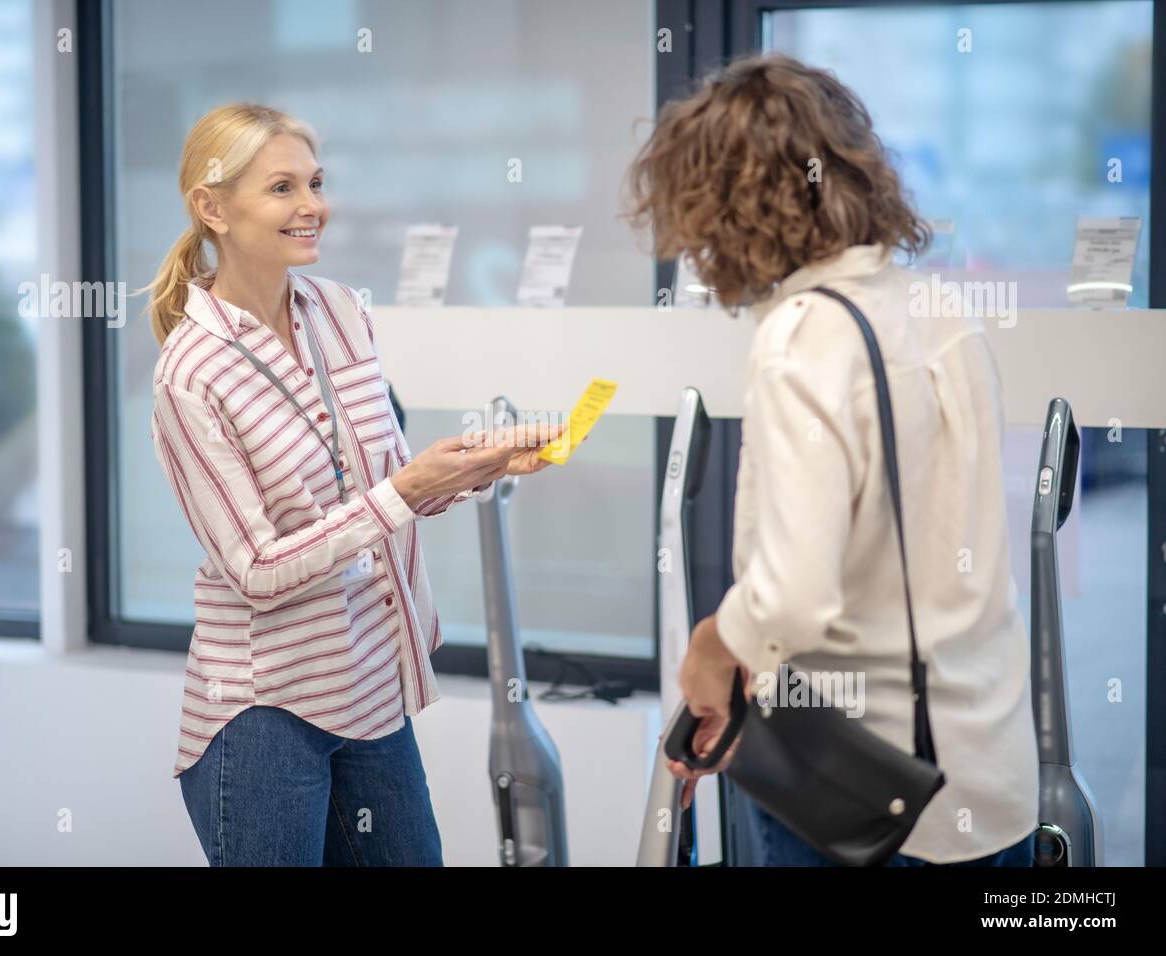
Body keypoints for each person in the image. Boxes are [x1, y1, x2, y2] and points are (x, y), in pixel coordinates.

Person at [625, 54, 1037, 866]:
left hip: (865, 792)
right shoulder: (934, 306)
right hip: (988, 776)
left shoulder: (804, 337)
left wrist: (714, 645)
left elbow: (796, 595)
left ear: (727, 203)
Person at [144, 103, 560, 866]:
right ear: (213, 208)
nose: (312, 207)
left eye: (315, 182)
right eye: (281, 188)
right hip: (264, 712)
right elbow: (258, 569)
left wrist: (478, 466)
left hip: (371, 686)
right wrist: (401, 493)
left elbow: (382, 486)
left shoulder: (339, 312)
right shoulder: (191, 374)